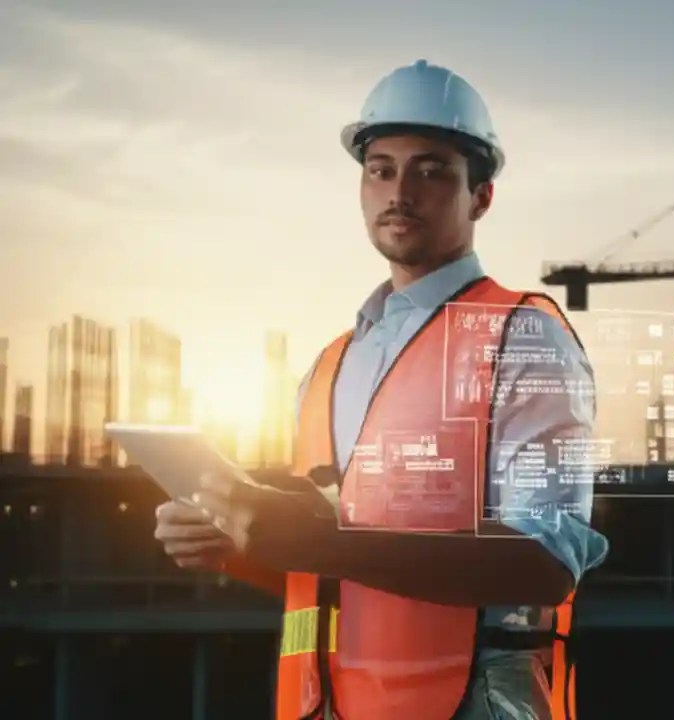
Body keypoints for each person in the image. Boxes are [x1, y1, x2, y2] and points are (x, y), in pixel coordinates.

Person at [153, 59, 610, 720]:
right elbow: (335, 572)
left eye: (431, 170)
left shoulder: (523, 337)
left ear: (481, 196)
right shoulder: (328, 368)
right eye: (381, 169)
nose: (401, 191)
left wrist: (318, 541)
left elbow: (546, 561)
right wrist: (239, 544)